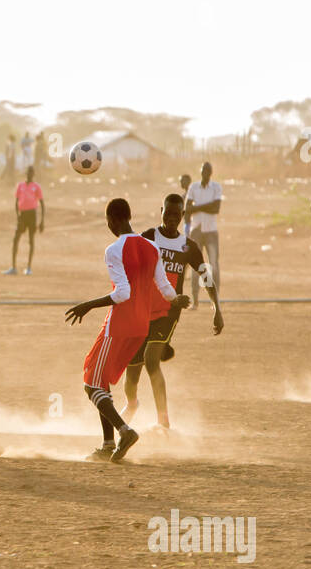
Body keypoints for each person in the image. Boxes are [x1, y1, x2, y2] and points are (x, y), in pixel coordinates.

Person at [65, 198, 186, 464]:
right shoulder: (152, 247)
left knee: (90, 381)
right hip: (141, 327)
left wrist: (88, 305)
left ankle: (124, 431)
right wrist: (177, 301)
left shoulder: (113, 249)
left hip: (119, 325)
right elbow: (166, 289)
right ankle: (107, 445)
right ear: (129, 216)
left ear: (112, 220)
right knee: (103, 381)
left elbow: (122, 294)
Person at [122, 194, 224, 430]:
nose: (171, 218)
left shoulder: (188, 247)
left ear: (183, 216)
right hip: (142, 311)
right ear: (161, 211)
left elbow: (206, 277)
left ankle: (163, 423)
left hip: (168, 313)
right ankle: (132, 404)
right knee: (132, 372)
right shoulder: (148, 237)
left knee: (151, 360)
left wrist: (216, 308)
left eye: (176, 215)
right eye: (167, 213)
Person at [184, 162, 221, 309]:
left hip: (210, 230)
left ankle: (215, 301)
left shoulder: (216, 187)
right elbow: (187, 209)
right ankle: (195, 300)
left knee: (214, 266)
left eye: (207, 171)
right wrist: (206, 206)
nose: (205, 174)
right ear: (200, 172)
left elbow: (216, 209)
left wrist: (196, 208)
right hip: (196, 230)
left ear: (210, 173)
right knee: (196, 266)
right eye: (203, 171)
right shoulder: (193, 187)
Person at [4, 166, 44, 275]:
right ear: (25, 173)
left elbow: (42, 203)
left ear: (33, 174)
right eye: (28, 172)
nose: (29, 174)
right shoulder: (20, 186)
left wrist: (41, 221)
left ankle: (29, 267)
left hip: (32, 215)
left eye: (31, 173)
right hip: (22, 215)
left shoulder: (36, 187)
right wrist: (18, 216)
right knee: (16, 239)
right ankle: (13, 267)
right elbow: (16, 202)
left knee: (31, 241)